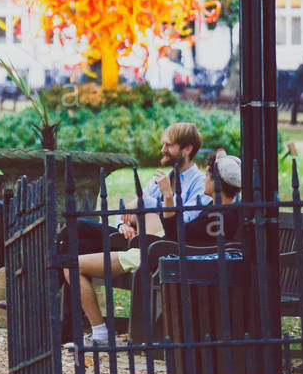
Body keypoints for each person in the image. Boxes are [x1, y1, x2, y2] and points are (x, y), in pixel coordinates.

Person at [63, 153, 243, 346]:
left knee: (71, 266)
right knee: (141, 208)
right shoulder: (224, 210)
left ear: (216, 183)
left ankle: (99, 332)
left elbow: (177, 237)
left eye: (208, 176)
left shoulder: (220, 215)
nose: (204, 179)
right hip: (163, 251)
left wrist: (167, 195)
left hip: (159, 256)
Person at [65, 122, 209, 256]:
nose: (162, 150)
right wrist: (124, 225)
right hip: (134, 238)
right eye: (163, 144)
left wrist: (148, 202)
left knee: (79, 229)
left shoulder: (200, 182)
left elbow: (186, 219)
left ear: (188, 149)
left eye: (168, 145)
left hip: (163, 247)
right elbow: (129, 209)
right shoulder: (160, 178)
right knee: (77, 239)